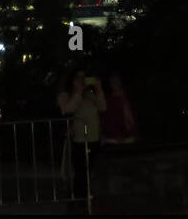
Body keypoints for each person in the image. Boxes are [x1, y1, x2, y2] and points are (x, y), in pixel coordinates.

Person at [57, 70, 105, 206]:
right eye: (79, 79)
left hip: (94, 136)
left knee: (90, 169)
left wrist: (98, 89)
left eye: (84, 78)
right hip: (79, 139)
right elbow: (67, 109)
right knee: (80, 170)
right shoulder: (67, 95)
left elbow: (102, 107)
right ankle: (80, 199)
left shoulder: (90, 95)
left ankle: (87, 197)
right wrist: (78, 92)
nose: (82, 81)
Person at [101, 72, 138, 145]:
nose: (115, 84)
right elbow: (107, 119)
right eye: (112, 82)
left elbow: (131, 117)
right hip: (113, 139)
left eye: (116, 81)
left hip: (129, 137)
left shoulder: (127, 98)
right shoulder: (108, 99)